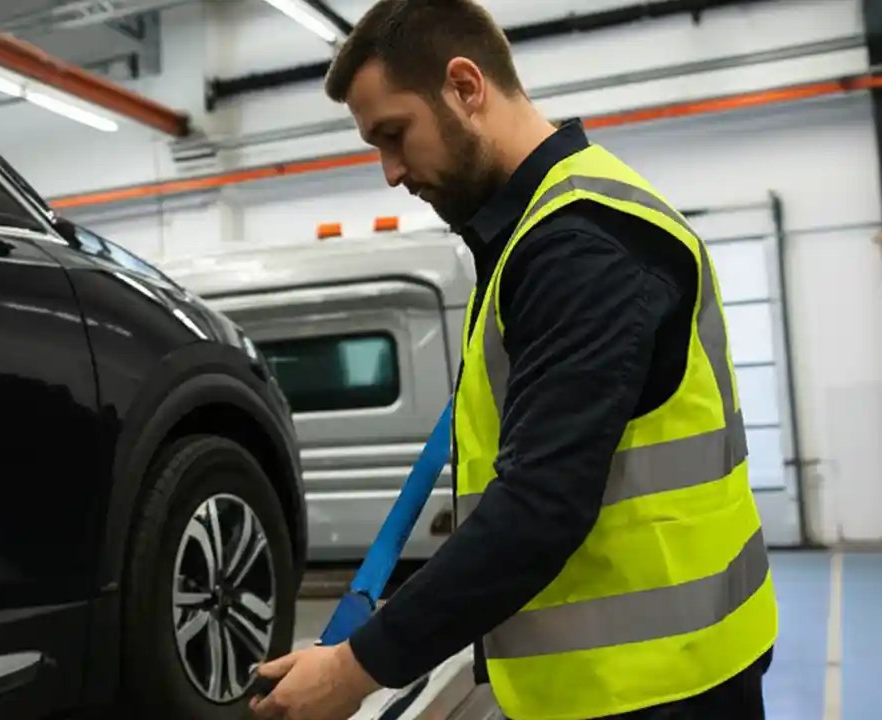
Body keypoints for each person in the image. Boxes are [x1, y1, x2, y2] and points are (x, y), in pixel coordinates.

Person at [248, 1, 778, 718]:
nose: (391, 172)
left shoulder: (579, 246)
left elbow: (538, 508)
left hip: (654, 690)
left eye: (393, 134)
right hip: (632, 680)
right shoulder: (535, 236)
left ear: (466, 86)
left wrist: (355, 668)